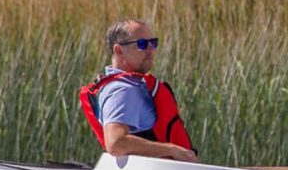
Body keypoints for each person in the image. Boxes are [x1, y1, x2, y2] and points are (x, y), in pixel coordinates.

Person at [78, 18, 199, 161]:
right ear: (119, 50)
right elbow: (116, 143)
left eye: (153, 43)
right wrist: (172, 149)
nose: (150, 50)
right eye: (142, 44)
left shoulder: (132, 86)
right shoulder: (122, 90)